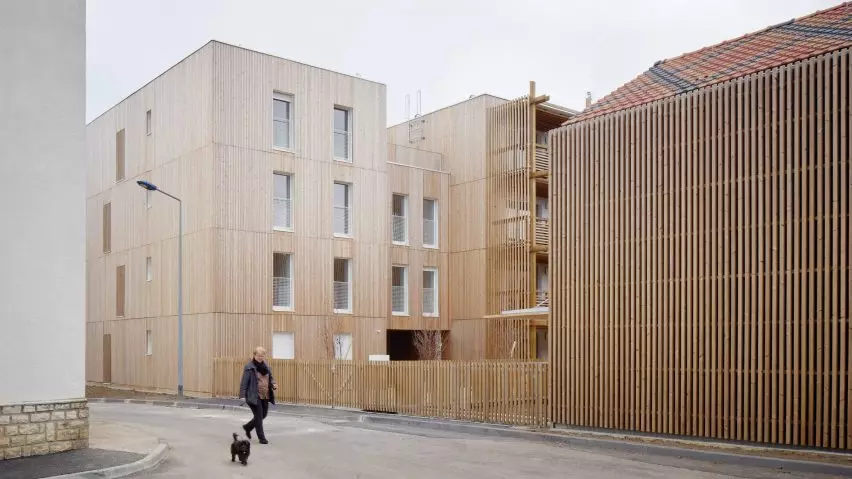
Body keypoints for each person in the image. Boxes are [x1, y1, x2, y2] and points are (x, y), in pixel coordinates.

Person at [239, 346, 277, 444]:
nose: (260, 357)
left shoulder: (266, 367)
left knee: (263, 414)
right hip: (253, 396)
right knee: (259, 416)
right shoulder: (250, 367)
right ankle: (262, 438)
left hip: (265, 395)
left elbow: (271, 378)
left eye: (262, 355)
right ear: (254, 355)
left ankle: (248, 427)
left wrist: (273, 384)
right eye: (258, 355)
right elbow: (244, 382)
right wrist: (242, 395)